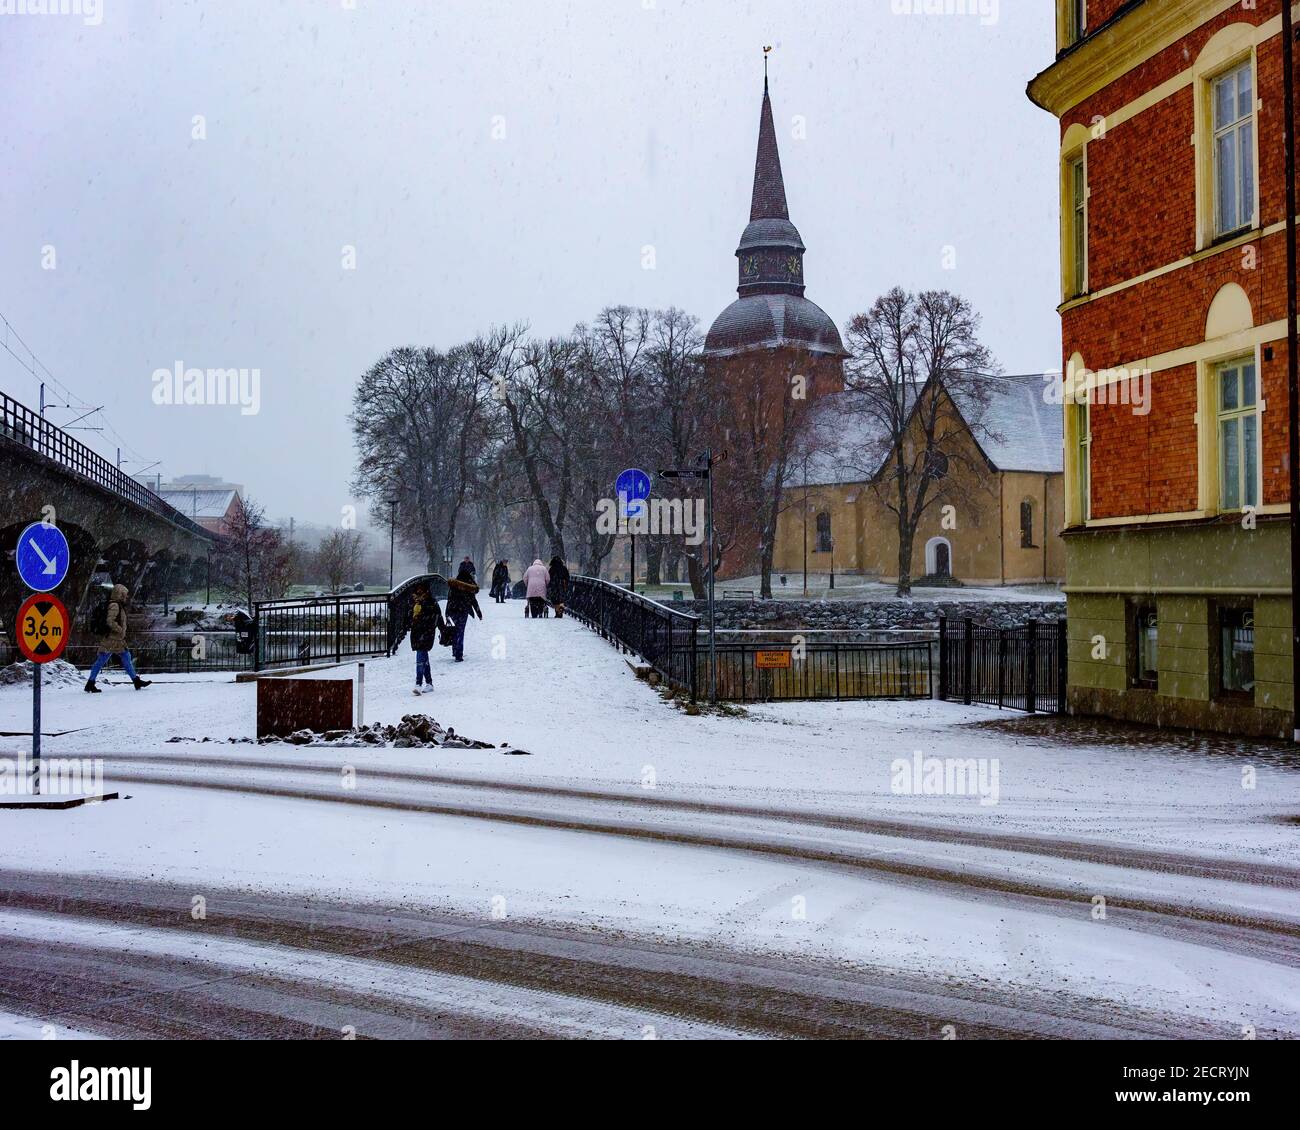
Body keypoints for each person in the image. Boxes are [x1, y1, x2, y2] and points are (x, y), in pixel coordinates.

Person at [85, 583, 151, 692]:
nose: (126, 597)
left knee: (124, 658)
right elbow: (110, 621)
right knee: (105, 660)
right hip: (112, 639)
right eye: (124, 594)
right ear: (120, 594)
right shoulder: (115, 605)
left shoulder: (116, 605)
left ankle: (136, 681)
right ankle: (90, 683)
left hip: (116, 639)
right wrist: (120, 630)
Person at [408, 582, 444, 694]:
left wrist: (443, 630)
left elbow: (438, 616)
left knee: (420, 655)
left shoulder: (430, 602)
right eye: (417, 589)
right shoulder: (414, 602)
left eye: (421, 589)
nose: (419, 592)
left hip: (426, 632)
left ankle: (418, 683)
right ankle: (429, 683)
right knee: (424, 658)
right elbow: (408, 617)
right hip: (417, 632)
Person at [443, 562, 482, 662]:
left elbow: (449, 599)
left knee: (453, 630)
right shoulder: (468, 587)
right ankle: (458, 654)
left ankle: (454, 650)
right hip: (463, 611)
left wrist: (447, 613)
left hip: (452, 611)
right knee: (460, 631)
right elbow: (473, 600)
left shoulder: (454, 585)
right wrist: (478, 613)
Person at [548, 555, 571, 619]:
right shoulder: (564, 568)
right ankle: (561, 607)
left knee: (555, 599)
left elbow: (549, 578)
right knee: (561, 598)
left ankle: (557, 611)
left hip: (554, 586)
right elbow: (567, 577)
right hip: (562, 585)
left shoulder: (552, 569)